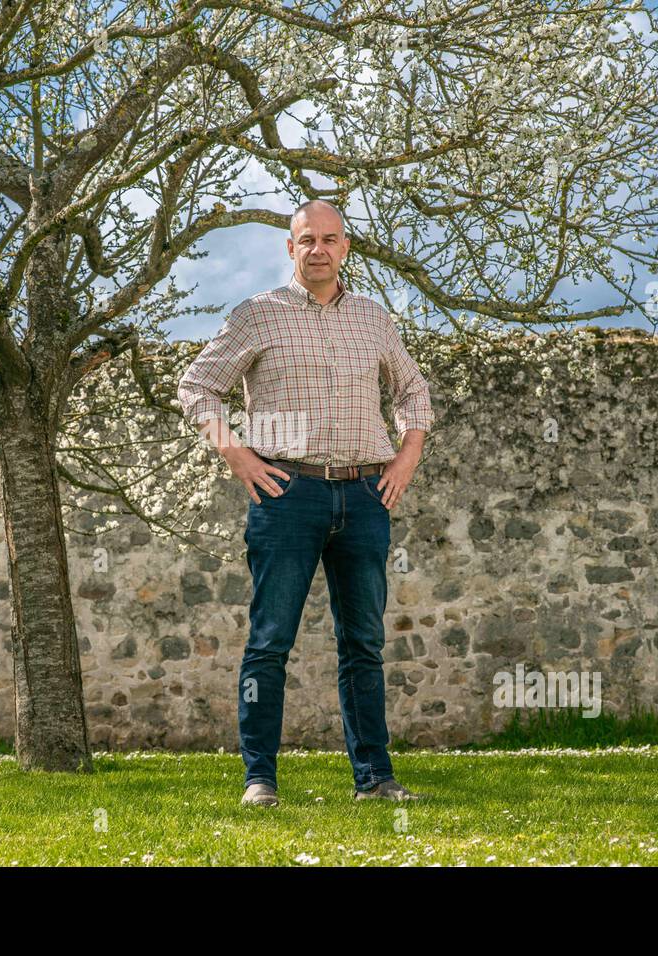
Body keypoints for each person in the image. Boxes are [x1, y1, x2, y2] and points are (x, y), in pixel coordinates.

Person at [178, 199, 435, 806]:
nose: (318, 249)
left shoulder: (373, 319)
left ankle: (375, 779)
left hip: (365, 494)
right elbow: (196, 387)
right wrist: (238, 456)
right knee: (271, 640)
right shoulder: (257, 316)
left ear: (346, 247)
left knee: (364, 644)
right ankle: (259, 779)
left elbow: (413, 390)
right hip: (286, 493)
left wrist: (406, 457)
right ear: (289, 248)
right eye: (306, 240)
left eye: (330, 239)